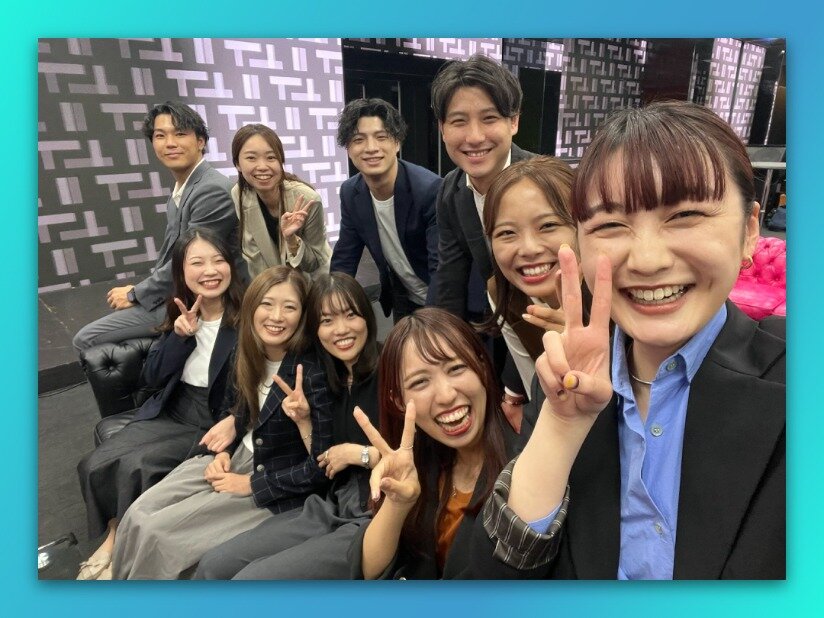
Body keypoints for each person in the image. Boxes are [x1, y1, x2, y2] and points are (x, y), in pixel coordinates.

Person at [473, 101, 785, 579]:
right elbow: (493, 579)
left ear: (749, 230)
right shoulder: (566, 382)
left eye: (685, 215)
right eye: (610, 225)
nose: (646, 260)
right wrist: (561, 428)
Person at [107, 266, 333, 579]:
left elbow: (321, 468)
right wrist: (223, 452)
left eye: (290, 307)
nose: (276, 316)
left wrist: (252, 484)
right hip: (231, 456)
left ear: (303, 315)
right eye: (267, 304)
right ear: (252, 307)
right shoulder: (246, 350)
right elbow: (233, 408)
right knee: (137, 515)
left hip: (273, 481)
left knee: (161, 537)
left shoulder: (312, 372)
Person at [76, 227, 245, 580]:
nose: (210, 271)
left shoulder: (248, 316)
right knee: (94, 463)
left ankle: (116, 544)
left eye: (218, 260)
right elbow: (152, 377)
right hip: (173, 408)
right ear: (182, 271)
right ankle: (115, 531)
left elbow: (261, 380)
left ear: (231, 265)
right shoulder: (179, 311)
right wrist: (180, 337)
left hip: (212, 417)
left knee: (138, 465)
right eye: (197, 263)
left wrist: (235, 418)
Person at [195, 272, 381, 579]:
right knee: (215, 564)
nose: (341, 329)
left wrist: (361, 454)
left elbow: (418, 457)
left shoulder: (390, 368)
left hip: (375, 510)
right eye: (327, 321)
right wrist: (303, 420)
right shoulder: (329, 375)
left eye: (351, 315)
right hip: (331, 502)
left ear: (368, 317)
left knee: (250, 579)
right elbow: (321, 461)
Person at [349, 308, 517, 579]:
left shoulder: (524, 464)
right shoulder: (421, 463)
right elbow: (367, 570)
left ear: (483, 368)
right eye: (420, 382)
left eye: (456, 368)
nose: (446, 395)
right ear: (398, 400)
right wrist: (398, 504)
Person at [73, 101, 239, 352]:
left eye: (180, 134)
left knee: (86, 339)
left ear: (200, 142)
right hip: (179, 290)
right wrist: (142, 291)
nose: (170, 143)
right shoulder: (184, 188)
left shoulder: (211, 190)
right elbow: (171, 253)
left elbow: (188, 261)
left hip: (199, 298)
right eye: (160, 136)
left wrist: (136, 294)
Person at [430, 54, 533, 323]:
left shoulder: (548, 182)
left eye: (489, 118)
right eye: (459, 121)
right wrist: (445, 337)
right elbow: (450, 278)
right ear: (442, 128)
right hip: (500, 316)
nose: (474, 137)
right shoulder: (450, 191)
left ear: (513, 121)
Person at [481, 157, 580, 428]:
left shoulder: (618, 294)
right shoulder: (503, 293)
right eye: (507, 233)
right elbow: (534, 384)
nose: (528, 249)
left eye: (548, 226)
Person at [330, 98, 441, 322]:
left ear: (397, 143)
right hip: (403, 296)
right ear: (348, 148)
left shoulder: (429, 189)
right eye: (358, 139)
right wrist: (332, 304)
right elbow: (345, 256)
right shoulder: (351, 192)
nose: (371, 148)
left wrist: (434, 320)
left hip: (443, 298)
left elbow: (441, 267)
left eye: (381, 137)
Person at [231, 124, 332, 280]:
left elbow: (313, 263)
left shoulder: (308, 199)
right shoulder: (240, 194)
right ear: (237, 163)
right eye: (251, 158)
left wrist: (292, 241)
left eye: (271, 157)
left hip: (312, 281)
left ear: (281, 161)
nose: (262, 166)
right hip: (272, 283)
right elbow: (253, 255)